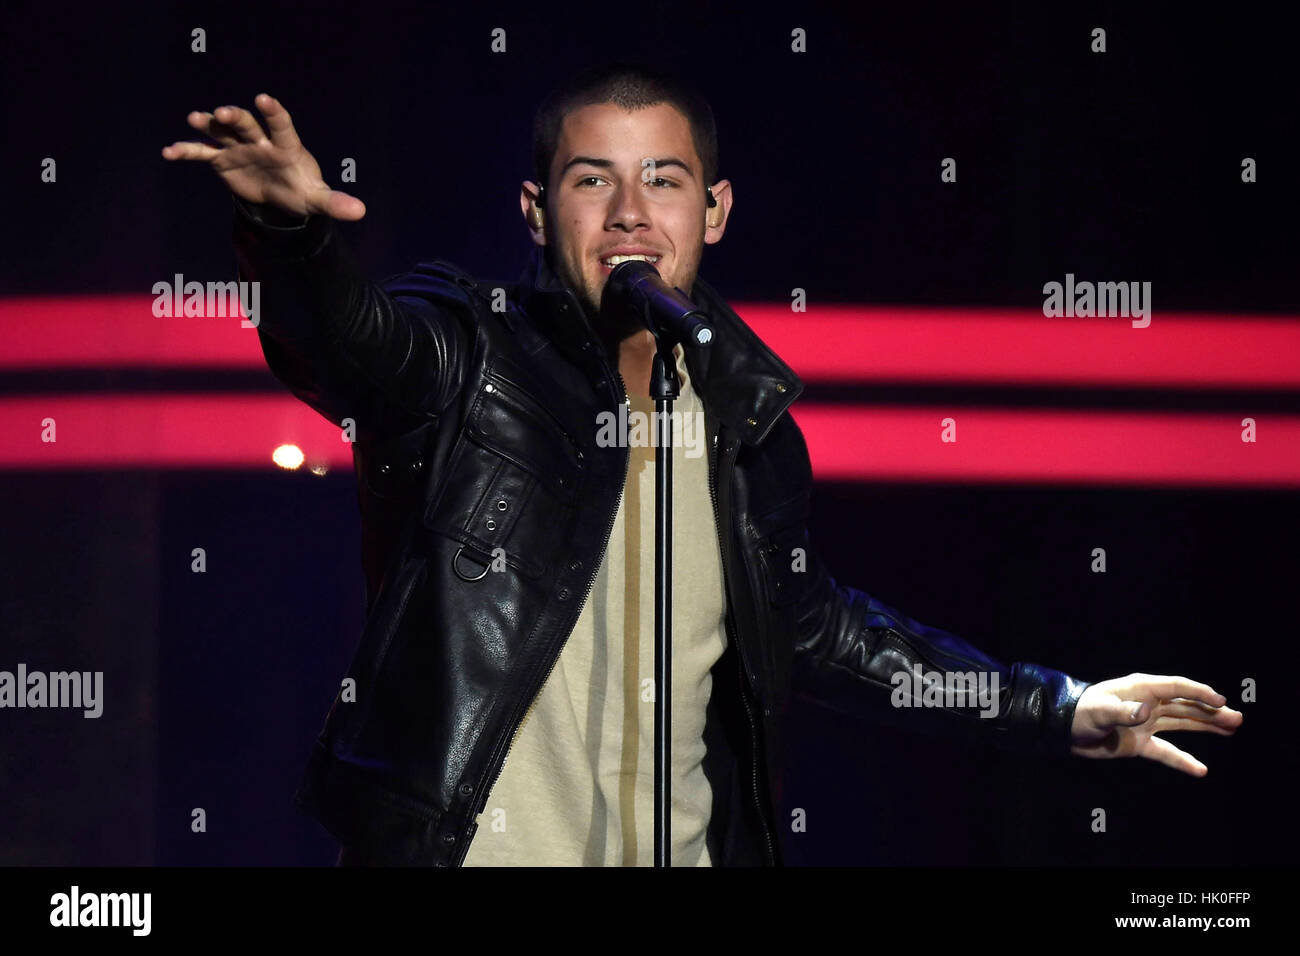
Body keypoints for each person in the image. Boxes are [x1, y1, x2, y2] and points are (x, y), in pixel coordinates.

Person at [161, 61, 1243, 867]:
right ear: (538, 211)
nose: (630, 212)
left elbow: (821, 631)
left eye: (663, 182)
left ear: (712, 212)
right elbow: (349, 345)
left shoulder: (745, 419)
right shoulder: (464, 353)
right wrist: (287, 237)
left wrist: (1056, 706)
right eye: (592, 180)